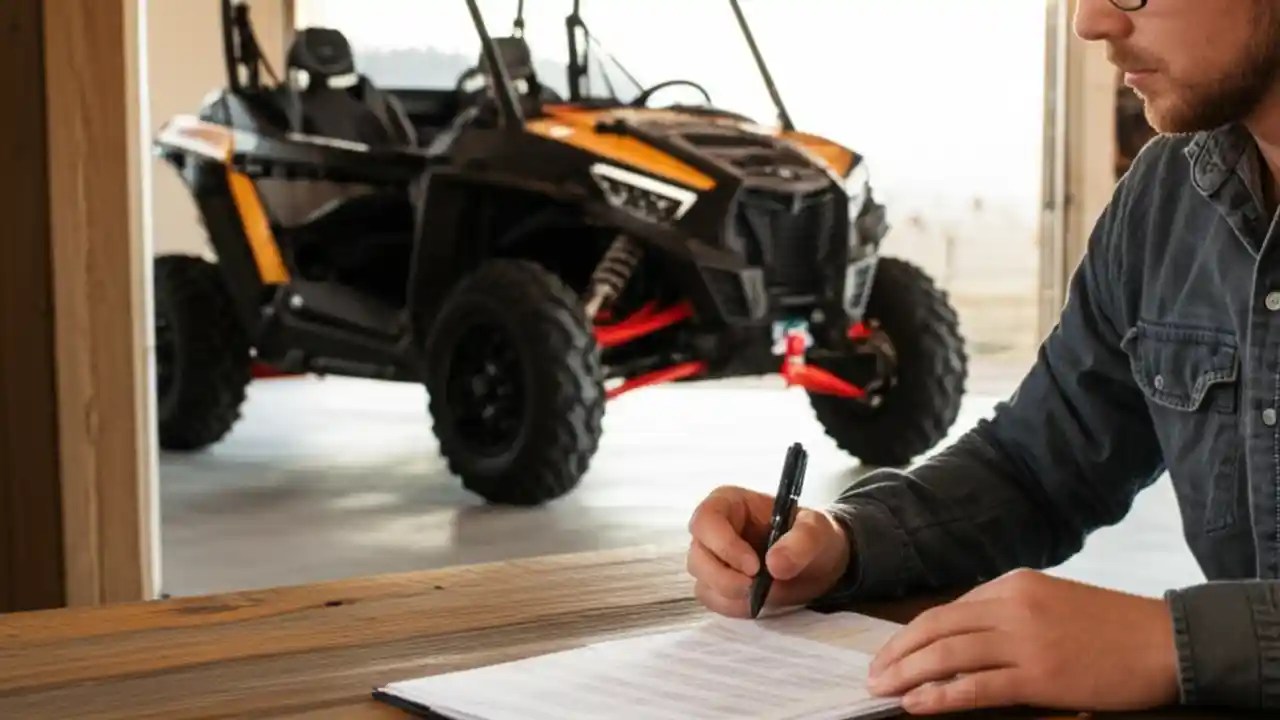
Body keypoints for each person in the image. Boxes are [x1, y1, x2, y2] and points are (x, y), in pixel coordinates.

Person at [686, 0, 1280, 715]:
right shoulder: (1166, 197)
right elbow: (1035, 468)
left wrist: (1171, 643)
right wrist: (842, 542)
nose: (1089, 22)